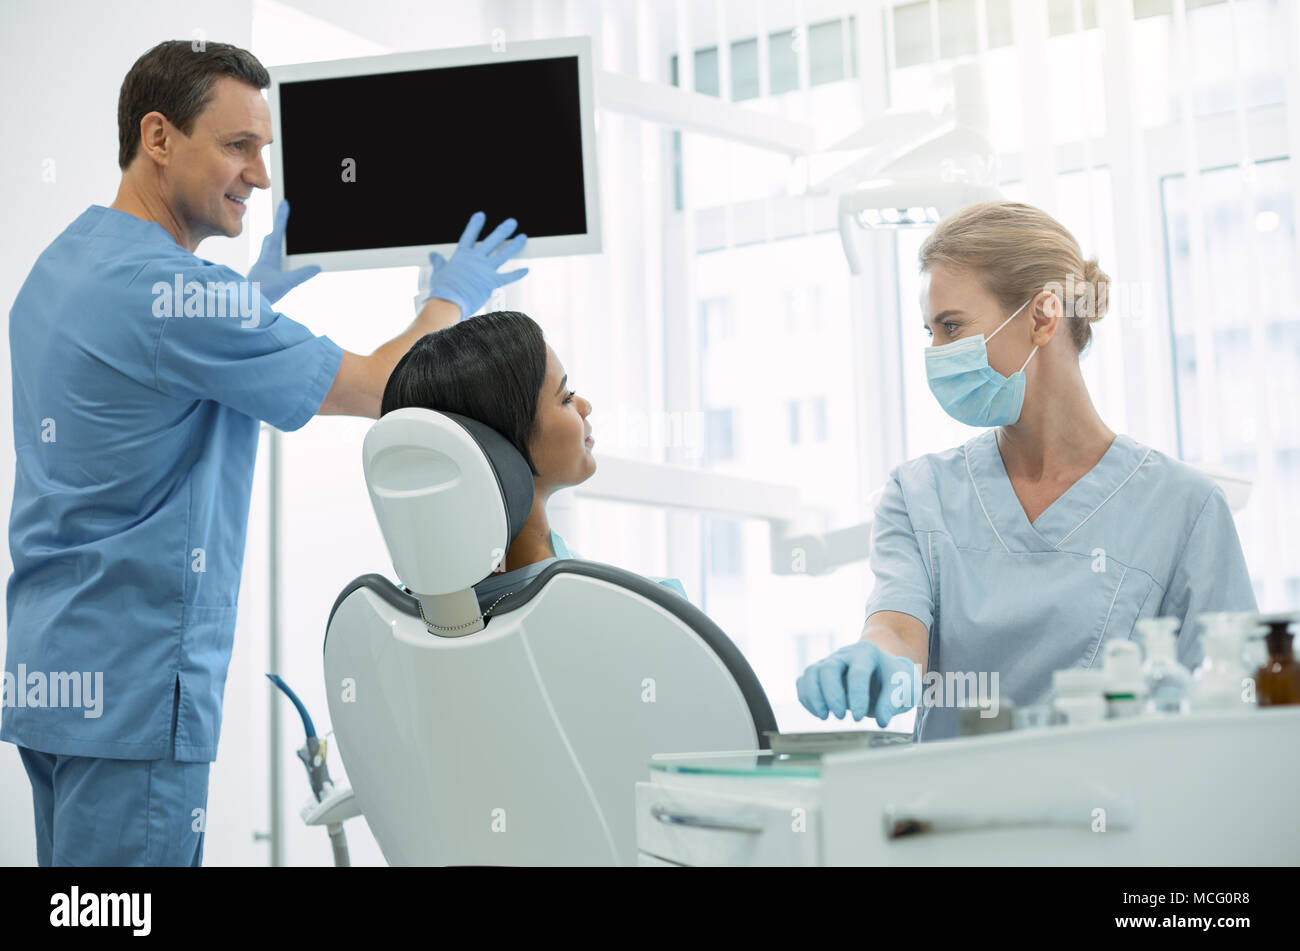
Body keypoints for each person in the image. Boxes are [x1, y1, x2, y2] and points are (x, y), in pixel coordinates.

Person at [2, 39, 528, 865]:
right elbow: (381, 385)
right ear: (158, 137)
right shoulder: (179, 298)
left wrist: (252, 297)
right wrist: (450, 297)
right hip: (139, 692)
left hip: (58, 677)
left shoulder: (63, 265)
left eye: (265, 150)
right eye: (237, 146)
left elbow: (145, 375)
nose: (260, 176)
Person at [796, 200, 1257, 740]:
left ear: (1042, 317)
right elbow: (899, 631)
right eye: (930, 333)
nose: (936, 353)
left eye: (951, 327)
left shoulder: (1184, 508)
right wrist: (879, 663)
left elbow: (1229, 714)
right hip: (942, 817)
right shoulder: (918, 493)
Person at [380, 310, 688, 602]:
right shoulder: (645, 609)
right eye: (566, 398)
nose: (585, 406)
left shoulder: (385, 619)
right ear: (496, 447)